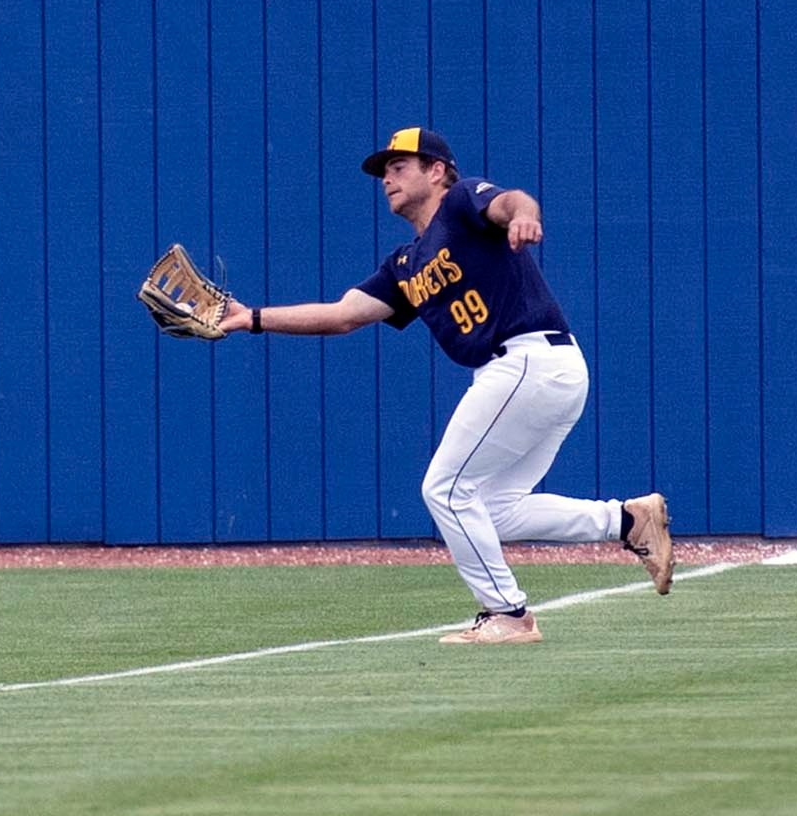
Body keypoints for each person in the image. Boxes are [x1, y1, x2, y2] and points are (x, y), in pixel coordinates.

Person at [219, 127, 674, 645]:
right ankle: (627, 520)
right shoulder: (406, 264)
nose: (387, 178)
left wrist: (525, 215)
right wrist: (249, 317)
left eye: (400, 166)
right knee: (492, 508)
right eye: (383, 171)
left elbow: (508, 202)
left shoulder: (459, 203)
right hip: (540, 371)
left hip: (526, 360)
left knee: (445, 489)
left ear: (436, 170)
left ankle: (508, 614)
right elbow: (343, 315)